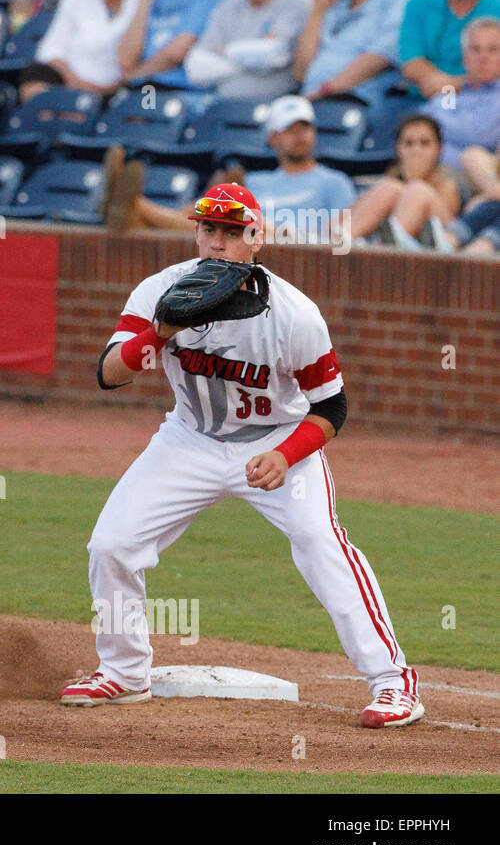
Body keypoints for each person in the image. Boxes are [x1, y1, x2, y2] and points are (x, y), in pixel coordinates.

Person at [59, 182, 423, 730]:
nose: (218, 244)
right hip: (189, 440)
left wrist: (285, 454)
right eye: (209, 230)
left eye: (232, 233)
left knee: (321, 545)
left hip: (277, 440)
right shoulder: (162, 291)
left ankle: (393, 683)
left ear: (256, 239)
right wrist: (160, 332)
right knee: (112, 544)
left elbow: (333, 408)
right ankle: (125, 671)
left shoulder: (294, 313)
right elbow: (108, 375)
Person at [109, 95, 357, 245]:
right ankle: (134, 215)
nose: (299, 136)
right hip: (239, 241)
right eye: (289, 130)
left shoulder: (334, 181)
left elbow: (340, 236)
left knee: (234, 215)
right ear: (273, 139)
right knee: (214, 204)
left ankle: (134, 206)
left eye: (304, 128)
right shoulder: (257, 180)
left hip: (291, 241)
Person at [349, 113, 462, 248]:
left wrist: (414, 179)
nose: (416, 150)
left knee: (417, 190)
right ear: (398, 148)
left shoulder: (448, 184)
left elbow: (445, 229)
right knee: (390, 188)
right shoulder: (388, 183)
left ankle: (381, 251)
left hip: (430, 253)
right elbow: (337, 222)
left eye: (425, 144)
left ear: (439, 148)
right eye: (409, 144)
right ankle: (339, 249)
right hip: (369, 238)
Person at [422, 14, 500, 169]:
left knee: (473, 156)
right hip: (435, 171)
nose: (483, 57)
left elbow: (479, 136)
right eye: (475, 49)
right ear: (465, 57)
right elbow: (426, 119)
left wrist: (439, 129)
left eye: (493, 50)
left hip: (476, 174)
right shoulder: (451, 91)